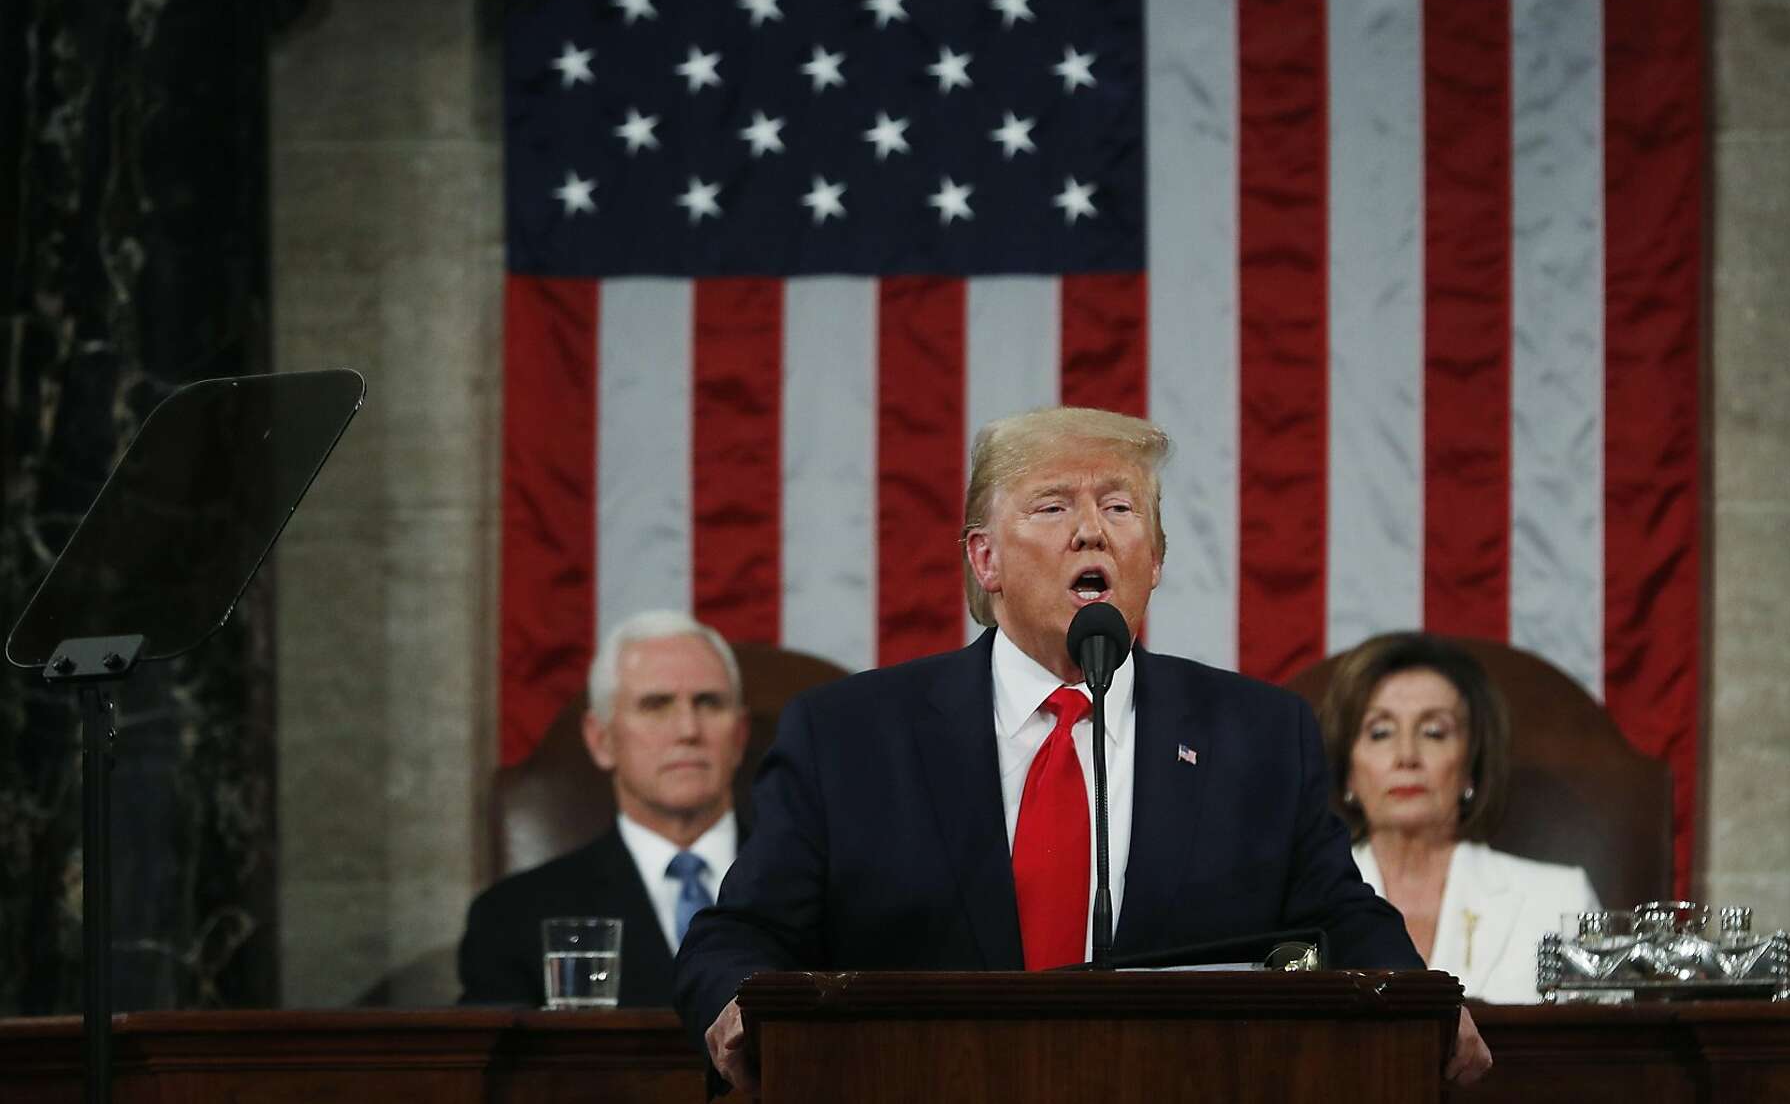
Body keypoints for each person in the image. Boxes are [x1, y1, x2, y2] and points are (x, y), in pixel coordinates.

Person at [674, 407, 1492, 1092]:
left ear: (1157, 560)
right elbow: (734, 937)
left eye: (1120, 507)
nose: (1091, 530)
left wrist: (1420, 1003)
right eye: (1053, 505)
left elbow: (1341, 917)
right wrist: (734, 1011)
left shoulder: (1257, 733)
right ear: (983, 558)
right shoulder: (848, 737)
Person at [458, 610, 749, 1006]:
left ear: (740, 735)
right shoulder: (513, 919)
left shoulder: (818, 892)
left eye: (709, 703)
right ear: (601, 739)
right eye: (656, 705)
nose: (688, 730)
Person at [1322, 631, 1599, 1003]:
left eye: (1434, 732)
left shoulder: (1558, 901)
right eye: (1381, 732)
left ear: (1471, 765)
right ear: (1348, 772)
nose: (1406, 756)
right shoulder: (1303, 908)